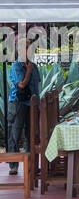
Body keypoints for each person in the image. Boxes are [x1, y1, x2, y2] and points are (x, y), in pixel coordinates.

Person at [6, 41, 38, 176]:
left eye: (29, 47)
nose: (28, 50)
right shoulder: (17, 66)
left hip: (31, 104)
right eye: (25, 48)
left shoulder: (33, 65)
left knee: (31, 134)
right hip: (18, 103)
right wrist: (28, 71)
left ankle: (30, 164)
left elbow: (36, 86)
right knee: (15, 133)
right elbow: (21, 85)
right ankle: (13, 165)